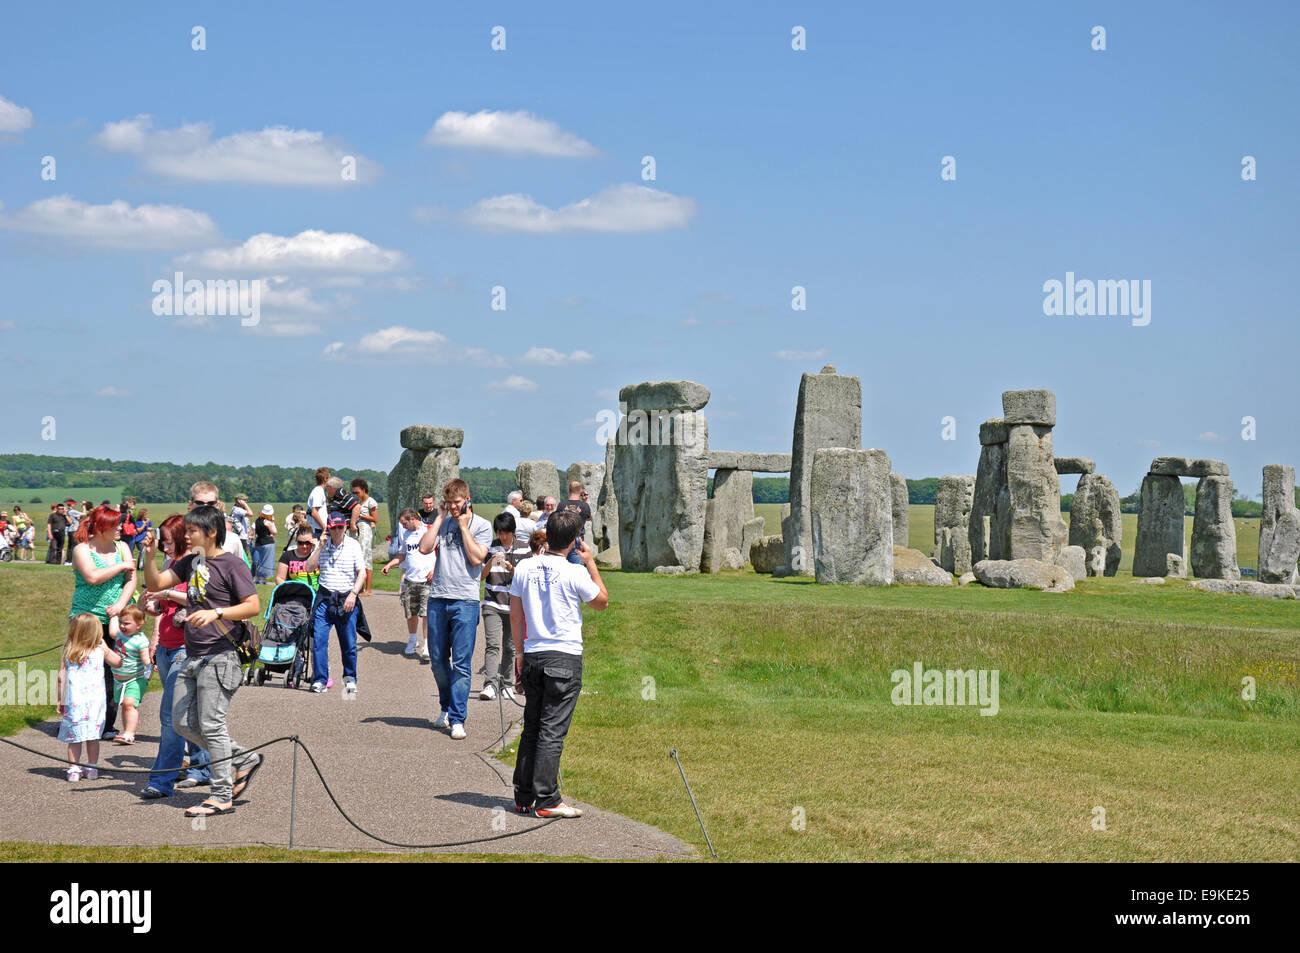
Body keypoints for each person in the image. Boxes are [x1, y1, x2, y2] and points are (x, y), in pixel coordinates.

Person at [143, 504, 263, 819]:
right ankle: (245, 759)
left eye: (192, 530)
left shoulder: (232, 565)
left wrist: (217, 612)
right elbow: (156, 584)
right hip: (193, 657)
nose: (187, 535)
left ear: (210, 532)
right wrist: (150, 557)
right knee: (182, 721)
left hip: (222, 656)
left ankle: (221, 795)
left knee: (212, 724)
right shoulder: (190, 562)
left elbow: (253, 605)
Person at [508, 509, 608, 818]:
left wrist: (519, 653)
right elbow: (601, 601)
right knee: (552, 730)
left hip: (534, 653)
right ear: (575, 540)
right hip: (563, 655)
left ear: (547, 533)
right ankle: (547, 798)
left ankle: (524, 796)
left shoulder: (524, 566)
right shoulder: (575, 571)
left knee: (532, 727)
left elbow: (515, 612)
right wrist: (590, 561)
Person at [140, 514, 211, 798]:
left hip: (187, 646)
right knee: (187, 714)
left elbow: (200, 597)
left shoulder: (198, 564)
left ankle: (161, 781)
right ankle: (202, 768)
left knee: (170, 716)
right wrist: (150, 605)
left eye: (168, 543)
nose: (165, 549)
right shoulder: (170, 566)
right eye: (162, 545)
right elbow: (161, 603)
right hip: (167, 645)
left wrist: (165, 593)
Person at [418, 478, 491, 740]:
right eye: (449, 504)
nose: (453, 508)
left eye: (457, 503)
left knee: (461, 663)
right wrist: (439, 517)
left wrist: (463, 526)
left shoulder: (483, 525)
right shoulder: (444, 520)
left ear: (467, 499)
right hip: (438, 597)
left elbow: (475, 558)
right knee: (437, 661)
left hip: (465, 601)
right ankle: (446, 707)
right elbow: (424, 548)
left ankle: (457, 717)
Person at [70, 505, 137, 740]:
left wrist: (119, 606)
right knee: (83, 670)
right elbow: (92, 577)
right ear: (100, 528)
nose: (119, 527)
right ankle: (79, 718)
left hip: (114, 617)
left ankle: (106, 724)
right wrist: (121, 565)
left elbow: (131, 580)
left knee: (112, 671)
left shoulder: (123, 547)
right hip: (86, 620)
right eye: (114, 524)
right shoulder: (82, 549)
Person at [303, 512, 366, 696]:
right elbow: (309, 567)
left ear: (345, 527)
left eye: (340, 527)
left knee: (348, 643)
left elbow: (361, 573)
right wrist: (320, 545)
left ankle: (350, 679)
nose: (337, 531)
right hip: (325, 596)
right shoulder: (322, 545)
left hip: (347, 596)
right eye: (333, 528)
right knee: (319, 640)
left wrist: (354, 594)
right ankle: (320, 680)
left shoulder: (353, 545)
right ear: (328, 529)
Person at [57, 613, 121, 782]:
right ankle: (92, 768)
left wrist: (60, 700)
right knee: (92, 736)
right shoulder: (100, 649)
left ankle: (73, 769)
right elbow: (117, 662)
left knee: (74, 737)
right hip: (95, 703)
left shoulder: (69, 650)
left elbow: (60, 678)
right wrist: (109, 648)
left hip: (74, 702)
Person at [478, 512, 528, 701]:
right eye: (499, 532)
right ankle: (490, 684)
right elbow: (480, 577)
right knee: (492, 645)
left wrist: (512, 569)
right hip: (492, 602)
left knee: (510, 647)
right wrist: (490, 563)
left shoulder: (524, 549)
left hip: (515, 605)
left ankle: (507, 684)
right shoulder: (490, 547)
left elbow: (527, 579)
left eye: (505, 532)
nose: (502, 536)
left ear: (512, 532)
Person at [381, 508, 435, 659]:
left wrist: (435, 570)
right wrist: (390, 565)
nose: (403, 527)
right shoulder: (407, 534)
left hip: (426, 580)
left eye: (404, 523)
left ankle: (426, 645)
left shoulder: (429, 531)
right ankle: (412, 640)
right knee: (411, 613)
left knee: (426, 614)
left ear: (412, 518)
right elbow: (403, 555)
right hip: (411, 580)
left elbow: (439, 552)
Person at [109, 605, 151, 745]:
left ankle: (130, 734)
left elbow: (146, 659)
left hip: (136, 678)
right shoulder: (120, 635)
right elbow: (112, 632)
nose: (122, 626)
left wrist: (151, 665)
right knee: (124, 705)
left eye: (127, 623)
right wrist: (114, 615)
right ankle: (126, 731)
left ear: (139, 624)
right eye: (121, 622)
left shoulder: (141, 641)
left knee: (129, 704)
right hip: (119, 679)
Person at [188, 482, 245, 559]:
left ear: (218, 505)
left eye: (211, 503)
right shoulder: (179, 538)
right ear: (191, 505)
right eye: (199, 503)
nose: (205, 507)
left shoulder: (232, 539)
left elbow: (238, 568)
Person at [349, 478, 378, 596]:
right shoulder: (358, 502)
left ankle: (368, 589)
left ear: (364, 490)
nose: (355, 495)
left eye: (357, 492)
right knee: (358, 559)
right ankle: (360, 587)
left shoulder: (371, 502)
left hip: (365, 532)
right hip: (357, 532)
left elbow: (375, 519)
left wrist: (361, 515)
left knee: (366, 559)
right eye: (354, 493)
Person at [555, 482, 592, 564]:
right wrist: (584, 502)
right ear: (580, 491)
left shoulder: (561, 505)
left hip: (563, 540)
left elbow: (556, 522)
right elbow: (589, 518)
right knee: (577, 571)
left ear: (568, 490)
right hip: (577, 540)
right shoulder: (585, 506)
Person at [252, 504, 277, 584]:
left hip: (259, 542)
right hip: (267, 542)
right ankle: (263, 578)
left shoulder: (257, 520)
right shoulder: (268, 522)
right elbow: (274, 532)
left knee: (260, 561)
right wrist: (272, 522)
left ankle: (258, 578)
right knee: (266, 561)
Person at [307, 467, 331, 537]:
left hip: (317, 528)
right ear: (325, 479)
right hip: (318, 529)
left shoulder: (318, 491)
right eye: (330, 478)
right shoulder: (319, 492)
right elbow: (314, 512)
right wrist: (324, 527)